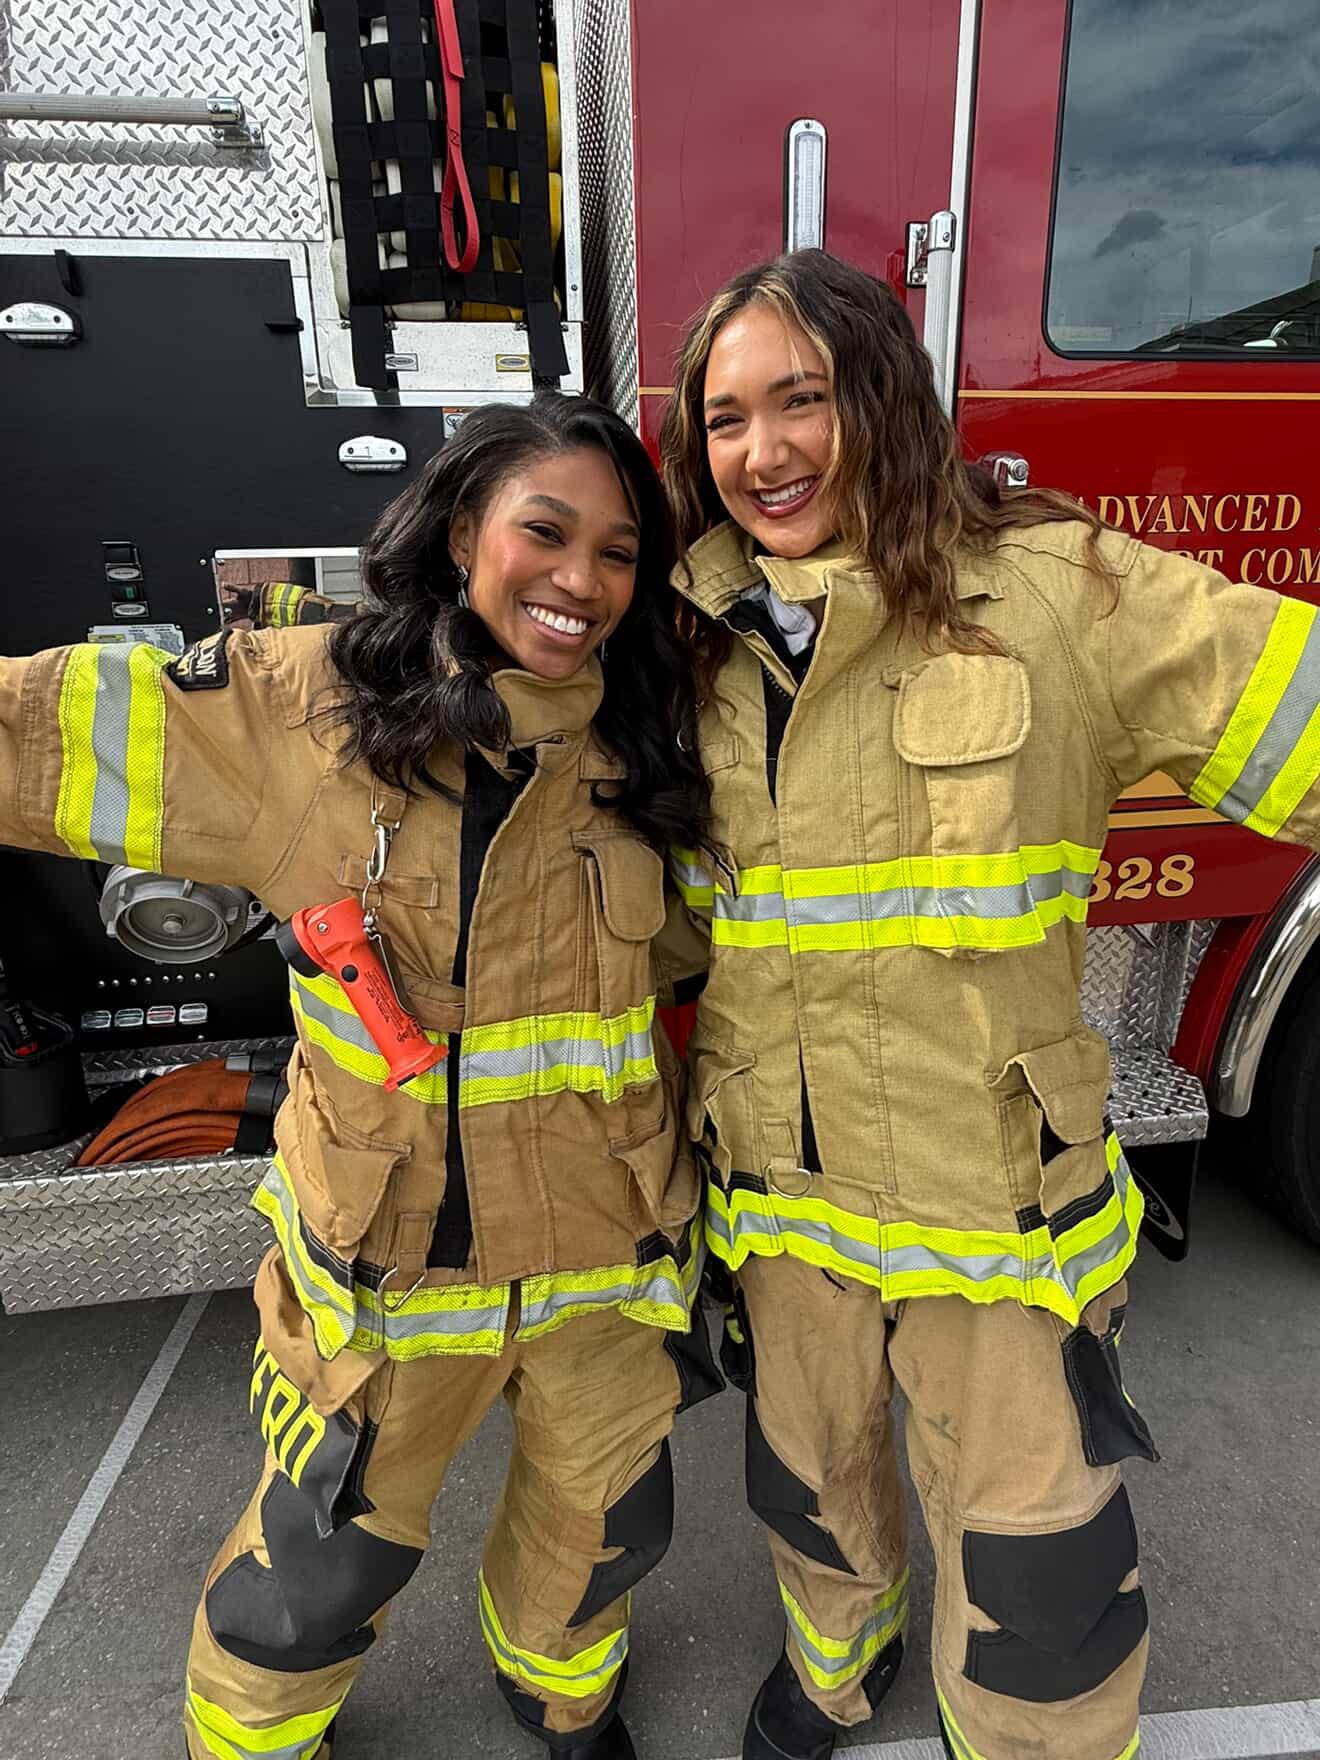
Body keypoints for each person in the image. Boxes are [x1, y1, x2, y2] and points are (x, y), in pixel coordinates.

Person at [655, 249, 1320, 1760]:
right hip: (787, 1200)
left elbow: (1289, 695)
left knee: (1041, 1563)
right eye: (726, 419)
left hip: (994, 1203)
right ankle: (839, 1668)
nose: (763, 453)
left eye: (803, 400)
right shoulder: (693, 640)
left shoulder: (1060, 591)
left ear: (885, 396)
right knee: (811, 1490)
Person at [0, 391, 722, 1760]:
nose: (580, 580)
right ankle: (255, 1742)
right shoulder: (298, 716)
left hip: (609, 1266)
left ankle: (565, 1702)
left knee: (603, 1529)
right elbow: (33, 732)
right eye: (546, 532)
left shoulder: (655, 745)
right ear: (465, 532)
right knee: (318, 1569)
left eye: (620, 552)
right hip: (389, 1278)